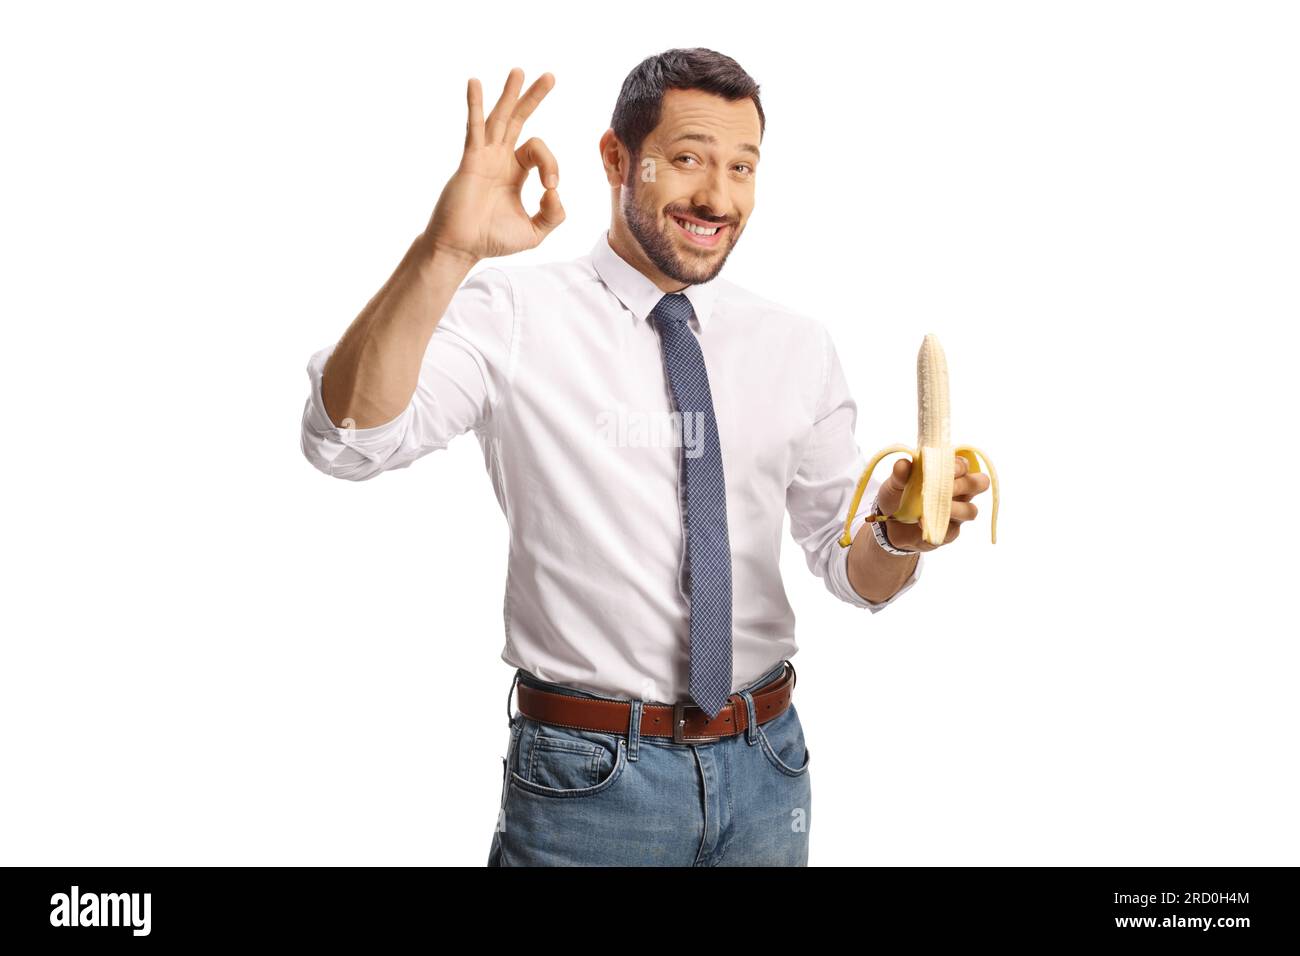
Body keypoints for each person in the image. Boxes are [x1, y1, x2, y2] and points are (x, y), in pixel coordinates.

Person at [299, 48, 990, 866]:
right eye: (689, 159)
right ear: (617, 159)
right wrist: (444, 253)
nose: (717, 196)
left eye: (743, 167)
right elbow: (348, 439)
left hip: (769, 768)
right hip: (589, 781)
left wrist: (898, 535)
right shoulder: (514, 313)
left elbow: (848, 570)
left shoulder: (795, 345)